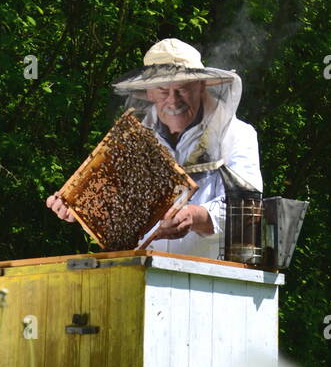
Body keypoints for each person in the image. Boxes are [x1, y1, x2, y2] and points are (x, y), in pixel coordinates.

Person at [46, 38, 262, 257]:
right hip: (141, 273)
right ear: (149, 92)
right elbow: (114, 206)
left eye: (182, 89)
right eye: (163, 90)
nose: (173, 100)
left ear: (201, 86)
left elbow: (248, 210)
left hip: (209, 279)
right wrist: (77, 205)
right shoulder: (131, 138)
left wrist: (194, 216)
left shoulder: (237, 135)